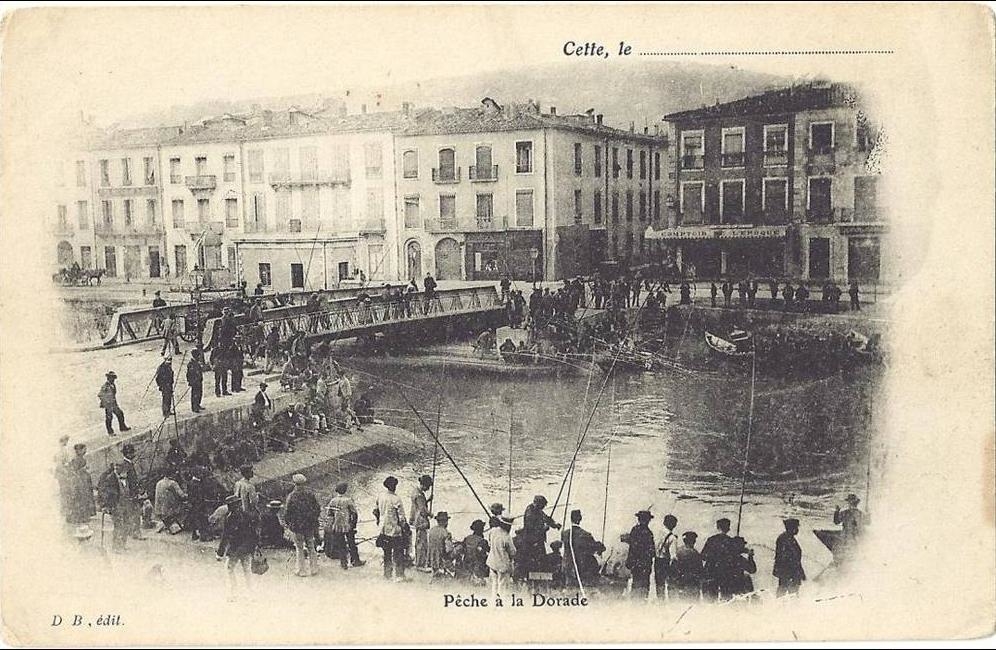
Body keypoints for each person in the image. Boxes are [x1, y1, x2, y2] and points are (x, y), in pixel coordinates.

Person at [217, 494, 258, 599]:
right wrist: (253, 547)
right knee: (247, 570)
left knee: (229, 569)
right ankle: (251, 593)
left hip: (235, 549)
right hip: (247, 548)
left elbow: (225, 536)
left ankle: (234, 592)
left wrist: (220, 553)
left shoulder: (229, 518)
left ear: (230, 506)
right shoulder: (247, 515)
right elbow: (254, 532)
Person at [285, 474, 321, 577]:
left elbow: (287, 513)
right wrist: (313, 520)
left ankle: (301, 571)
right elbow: (317, 508)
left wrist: (290, 524)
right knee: (311, 546)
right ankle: (314, 568)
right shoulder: (310, 494)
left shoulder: (291, 496)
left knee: (299, 548)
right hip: (309, 525)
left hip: (297, 526)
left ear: (294, 483)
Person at [560, 509, 605, 589]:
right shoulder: (585, 534)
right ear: (580, 519)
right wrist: (601, 547)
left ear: (571, 519)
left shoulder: (564, 533)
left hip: (567, 566)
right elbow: (593, 547)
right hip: (580, 567)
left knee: (569, 588)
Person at [520, 495, 560, 582]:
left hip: (539, 540)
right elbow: (532, 529)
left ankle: (539, 578)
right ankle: (532, 579)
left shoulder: (538, 510)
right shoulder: (530, 513)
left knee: (541, 559)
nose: (543, 508)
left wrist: (554, 525)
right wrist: (544, 529)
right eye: (542, 506)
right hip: (531, 542)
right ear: (538, 504)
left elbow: (546, 518)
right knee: (533, 560)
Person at [374, 475, 407, 581]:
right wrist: (404, 528)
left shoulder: (380, 496)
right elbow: (401, 518)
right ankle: (399, 575)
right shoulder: (396, 499)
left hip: (384, 530)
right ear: (395, 486)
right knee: (398, 553)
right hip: (395, 531)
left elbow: (375, 511)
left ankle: (387, 574)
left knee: (387, 553)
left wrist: (378, 520)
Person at [326, 482, 362, 569]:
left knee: (341, 545)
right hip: (347, 526)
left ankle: (343, 563)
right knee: (352, 544)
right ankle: (355, 561)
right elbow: (354, 513)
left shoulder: (333, 501)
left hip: (337, 526)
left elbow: (329, 514)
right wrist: (353, 524)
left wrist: (331, 525)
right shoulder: (348, 500)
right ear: (345, 490)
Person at [700, 518, 735, 601]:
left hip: (712, 571)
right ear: (728, 529)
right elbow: (734, 559)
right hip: (726, 573)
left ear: (717, 527)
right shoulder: (731, 541)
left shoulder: (711, 540)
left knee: (711, 597)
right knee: (726, 597)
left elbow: (703, 556)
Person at [66, 443, 96, 531]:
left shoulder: (80, 459)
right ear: (79, 450)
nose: (85, 451)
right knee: (82, 499)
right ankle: (81, 517)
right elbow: (75, 471)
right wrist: (84, 470)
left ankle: (83, 516)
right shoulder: (77, 460)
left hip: (83, 481)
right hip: (80, 482)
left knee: (84, 499)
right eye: (84, 449)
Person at [626, 510, 655, 599]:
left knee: (636, 584)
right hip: (644, 564)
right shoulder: (648, 533)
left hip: (635, 563)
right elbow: (652, 551)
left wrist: (630, 561)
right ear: (648, 520)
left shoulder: (634, 530)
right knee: (644, 586)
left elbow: (631, 547)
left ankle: (635, 603)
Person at [773, 518, 806, 597]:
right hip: (788, 572)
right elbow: (786, 557)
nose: (797, 530)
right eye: (796, 528)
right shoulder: (784, 539)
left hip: (790, 572)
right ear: (792, 528)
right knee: (788, 593)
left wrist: (800, 571)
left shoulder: (789, 538)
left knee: (787, 592)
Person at [486, 514, 516, 597]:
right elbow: (513, 552)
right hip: (502, 565)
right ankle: (501, 605)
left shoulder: (492, 531)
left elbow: (489, 543)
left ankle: (493, 603)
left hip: (492, 563)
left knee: (494, 586)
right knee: (502, 588)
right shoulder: (506, 536)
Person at [670, 531, 703, 601]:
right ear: (693, 541)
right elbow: (700, 571)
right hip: (693, 586)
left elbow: (673, 570)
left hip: (680, 585)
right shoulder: (696, 554)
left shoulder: (678, 552)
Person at [410, 474, 433, 570]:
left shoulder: (415, 491)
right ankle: (420, 564)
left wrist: (427, 500)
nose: (428, 489)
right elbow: (423, 510)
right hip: (420, 520)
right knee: (421, 542)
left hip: (415, 518)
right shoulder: (419, 495)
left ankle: (420, 561)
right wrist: (431, 514)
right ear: (424, 485)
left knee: (419, 540)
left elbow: (420, 504)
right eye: (428, 487)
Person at [834, 493, 865, 561]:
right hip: (857, 538)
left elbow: (836, 521)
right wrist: (869, 514)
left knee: (846, 551)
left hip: (846, 537)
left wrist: (837, 511)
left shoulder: (845, 513)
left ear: (849, 503)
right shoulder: (861, 513)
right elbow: (868, 522)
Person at [654, 514, 679, 600]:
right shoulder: (672, 537)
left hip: (657, 560)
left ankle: (660, 600)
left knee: (659, 583)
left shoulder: (657, 533)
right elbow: (673, 556)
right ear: (674, 525)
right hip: (665, 561)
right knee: (670, 583)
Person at [98, 371, 130, 436]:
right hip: (108, 405)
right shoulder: (105, 386)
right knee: (109, 418)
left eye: (113, 378)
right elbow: (100, 394)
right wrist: (106, 402)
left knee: (120, 414)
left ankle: (122, 427)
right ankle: (110, 432)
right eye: (112, 378)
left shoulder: (113, 385)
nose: (113, 379)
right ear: (109, 378)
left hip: (113, 404)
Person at [427, 511, 455, 577]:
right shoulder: (446, 532)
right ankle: (450, 569)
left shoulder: (432, 530)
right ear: (445, 522)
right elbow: (449, 549)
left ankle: (437, 570)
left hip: (432, 558)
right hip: (441, 558)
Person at [462, 519, 490, 584]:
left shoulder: (467, 538)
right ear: (481, 529)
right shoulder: (482, 541)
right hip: (478, 569)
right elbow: (489, 551)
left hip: (466, 567)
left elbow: (462, 550)